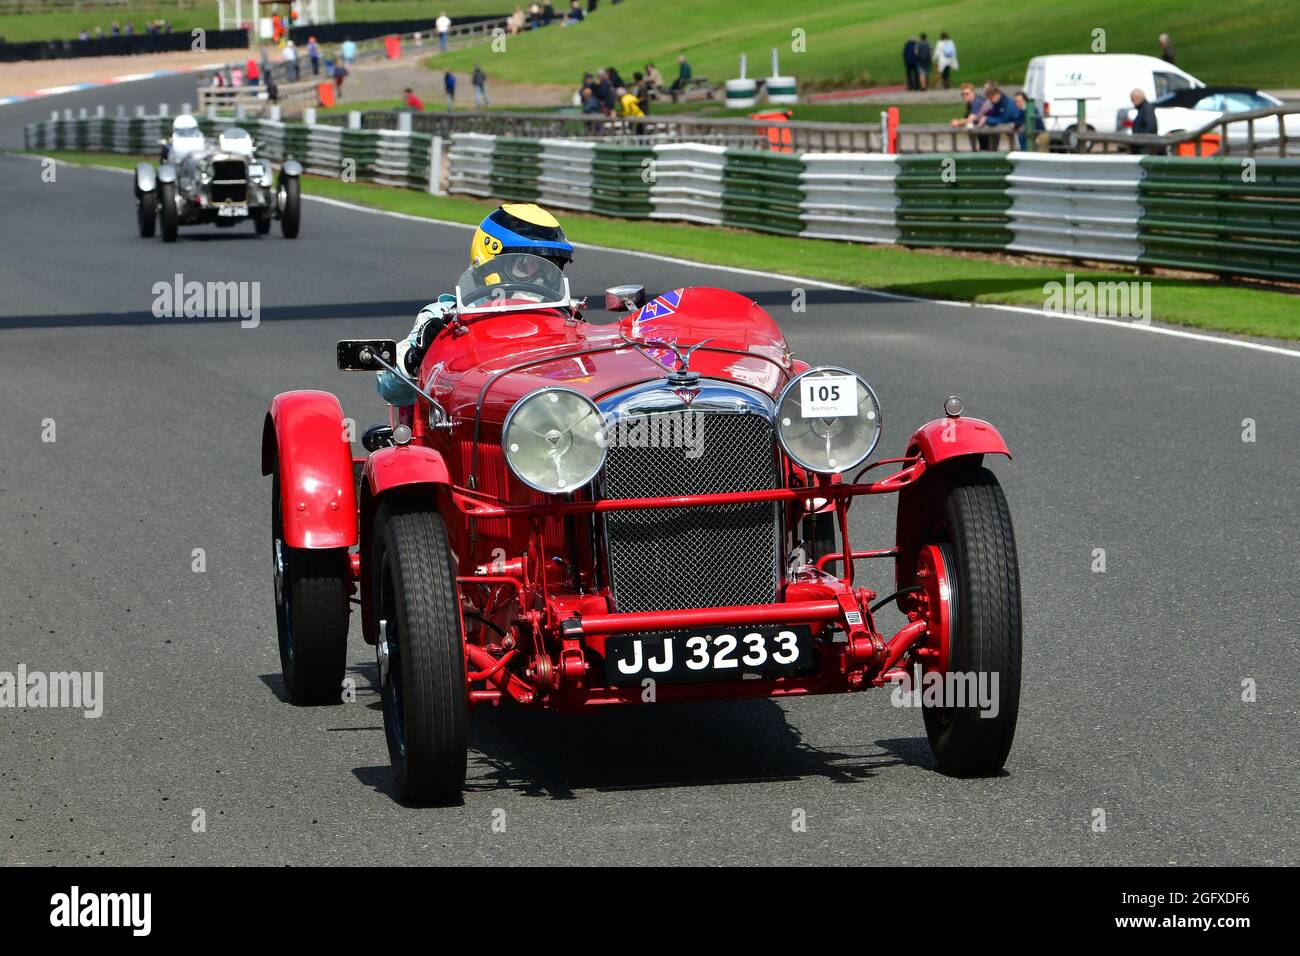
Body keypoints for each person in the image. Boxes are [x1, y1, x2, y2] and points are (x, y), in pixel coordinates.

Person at [375, 204, 575, 408]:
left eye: (550, 268)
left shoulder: (566, 322)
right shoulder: (443, 316)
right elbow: (389, 389)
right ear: (490, 258)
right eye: (525, 265)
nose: (540, 280)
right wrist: (415, 357)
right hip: (455, 421)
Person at [1129, 88, 1158, 153]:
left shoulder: (1147, 109)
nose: (1132, 101)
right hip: (1142, 146)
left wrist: (1137, 137)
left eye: (1132, 99)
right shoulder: (1143, 108)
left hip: (1145, 147)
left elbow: (1150, 128)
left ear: (1137, 98)